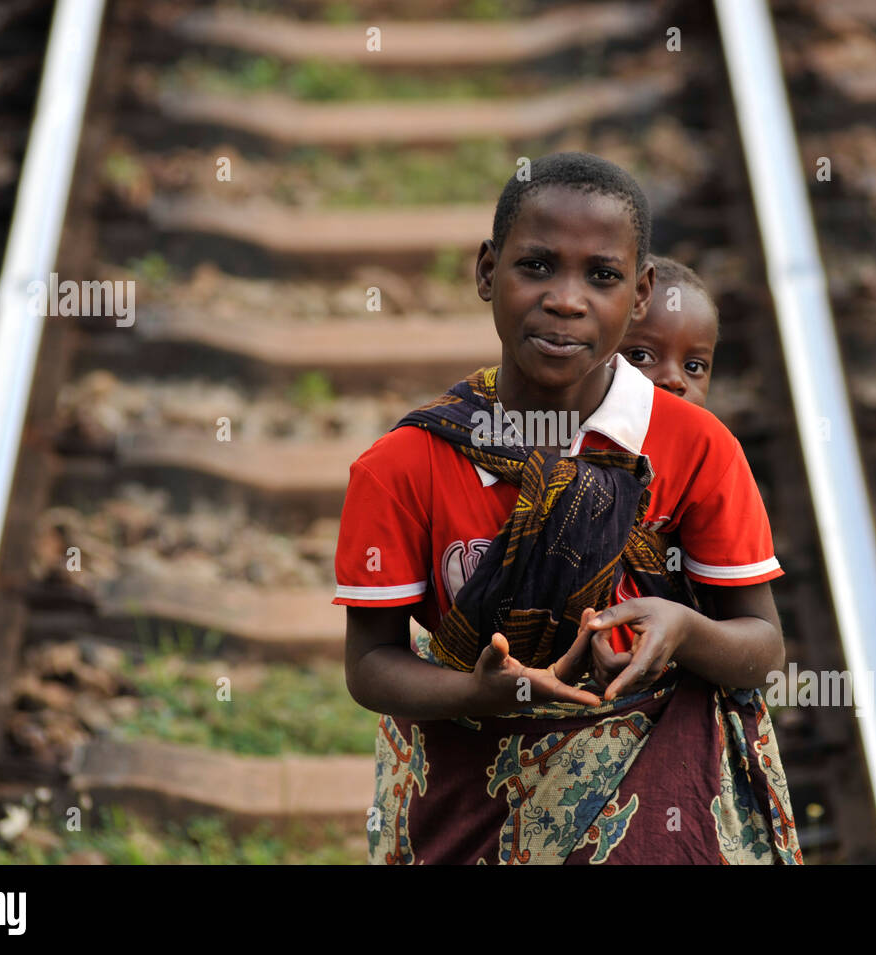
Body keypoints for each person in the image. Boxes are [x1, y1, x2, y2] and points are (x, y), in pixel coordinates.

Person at [333, 152, 801, 864]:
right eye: (537, 266)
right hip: (468, 800)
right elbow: (370, 664)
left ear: (640, 294)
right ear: (487, 271)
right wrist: (481, 691)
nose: (566, 299)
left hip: (657, 794)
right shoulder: (403, 467)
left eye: (602, 276)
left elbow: (761, 646)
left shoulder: (697, 447)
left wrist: (681, 627)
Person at [618, 253, 718, 409]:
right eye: (640, 356)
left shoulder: (710, 433)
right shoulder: (567, 425)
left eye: (693, 367)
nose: (674, 380)